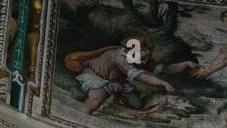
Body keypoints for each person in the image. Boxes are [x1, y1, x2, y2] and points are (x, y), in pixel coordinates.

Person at [64, 35, 195, 115]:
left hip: (118, 81)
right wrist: (164, 83)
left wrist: (185, 64)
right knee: (94, 102)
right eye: (143, 51)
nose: (147, 53)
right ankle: (80, 119)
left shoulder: (139, 58)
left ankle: (114, 101)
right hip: (98, 78)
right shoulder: (119, 56)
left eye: (146, 50)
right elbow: (142, 77)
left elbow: (165, 69)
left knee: (137, 105)